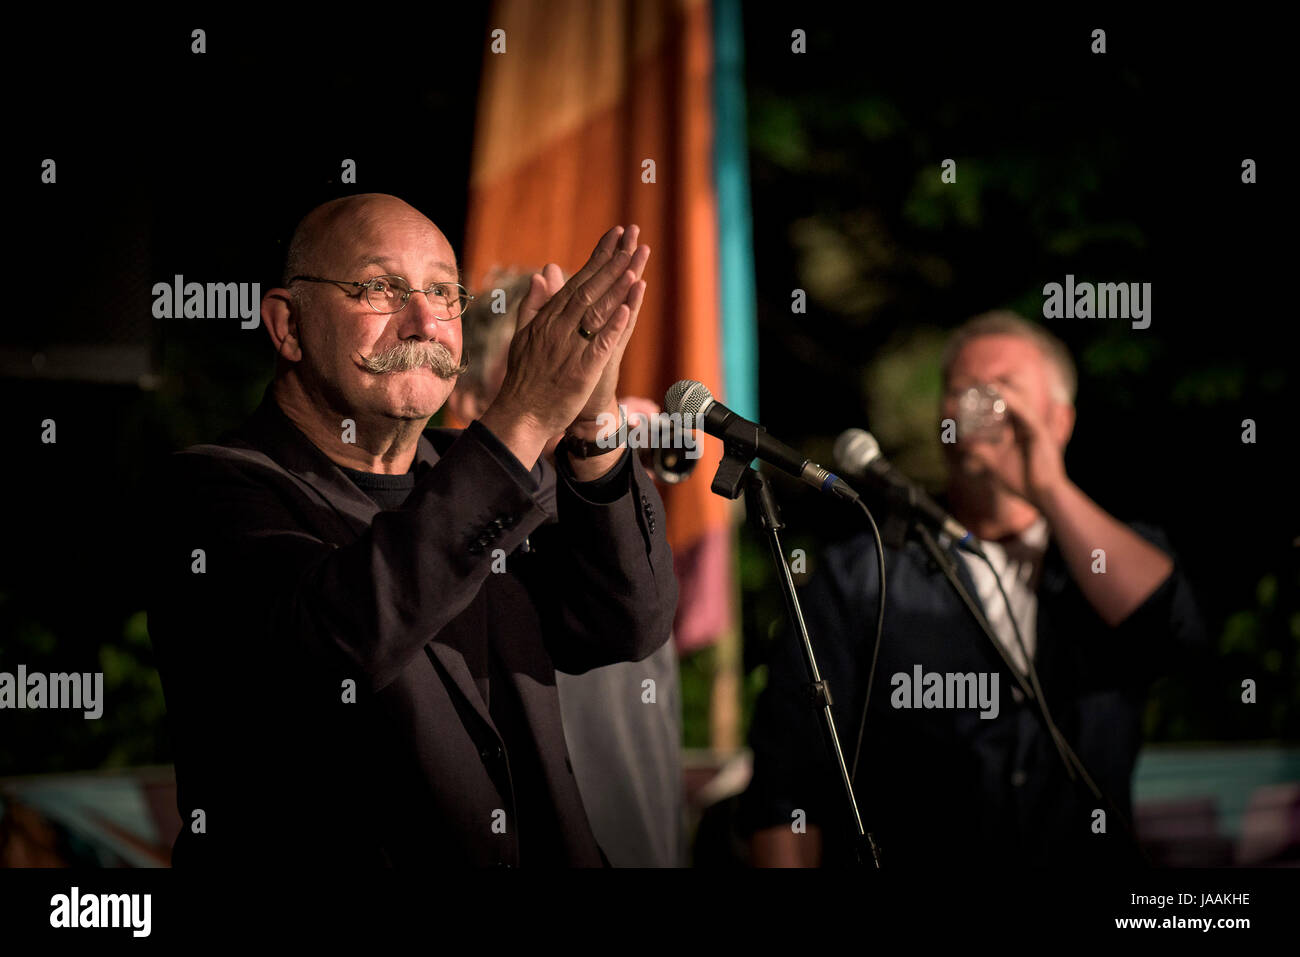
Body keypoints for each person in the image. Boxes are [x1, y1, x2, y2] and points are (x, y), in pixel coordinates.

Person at [147, 194, 677, 867]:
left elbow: (626, 620)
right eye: (380, 288)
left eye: (442, 292)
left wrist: (590, 424)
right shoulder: (212, 491)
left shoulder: (475, 474)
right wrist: (522, 414)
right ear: (287, 325)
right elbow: (338, 637)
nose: (425, 319)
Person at [740, 311, 1206, 867]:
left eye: (1004, 388)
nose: (976, 405)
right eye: (959, 389)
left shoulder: (1102, 557)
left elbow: (1173, 630)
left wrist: (1049, 486)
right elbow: (786, 779)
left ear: (1059, 420)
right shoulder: (863, 577)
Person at [448, 270, 684, 867]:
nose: (574, 370)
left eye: (577, 341)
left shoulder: (602, 480)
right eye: (540, 350)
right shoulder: (460, 522)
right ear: (471, 401)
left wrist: (602, 451)